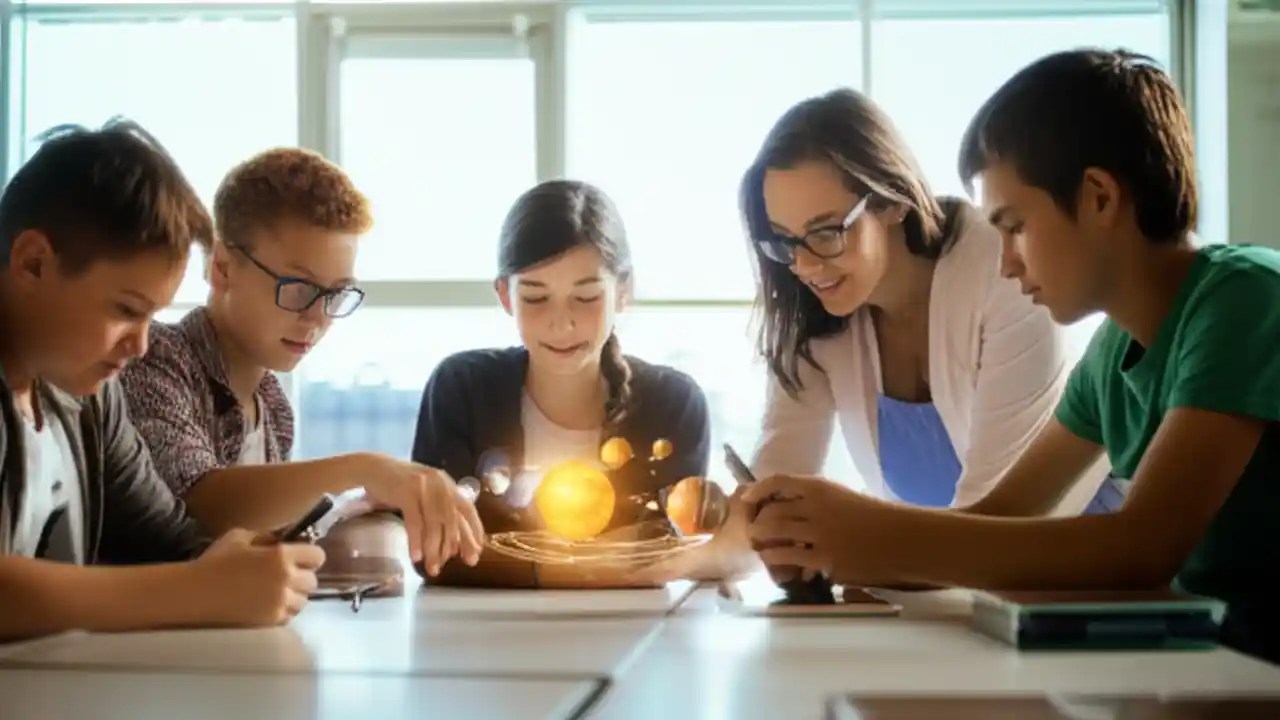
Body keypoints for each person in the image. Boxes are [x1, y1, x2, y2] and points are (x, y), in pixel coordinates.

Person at [744, 49, 1280, 665]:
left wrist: (871, 533)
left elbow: (1141, 549)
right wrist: (843, 549)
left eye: (1014, 226)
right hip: (1217, 670)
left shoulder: (1245, 297)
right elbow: (1001, 516)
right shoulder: (1113, 354)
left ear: (1099, 198)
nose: (1004, 262)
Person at [0, 120, 322, 640]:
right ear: (33, 263)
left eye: (153, 318)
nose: (141, 345)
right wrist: (197, 589)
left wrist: (242, 565)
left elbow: (169, 542)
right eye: (127, 310)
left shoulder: (92, 402)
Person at [120, 148, 481, 577]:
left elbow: (254, 543)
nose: (318, 317)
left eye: (336, 294)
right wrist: (363, 468)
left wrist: (346, 509)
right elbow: (199, 504)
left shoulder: (273, 407)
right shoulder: (153, 358)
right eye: (297, 288)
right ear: (222, 268)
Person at [743, 87, 1107, 510]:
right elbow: (775, 481)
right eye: (785, 241)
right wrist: (678, 556)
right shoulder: (817, 315)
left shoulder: (1004, 269)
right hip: (936, 569)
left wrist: (856, 543)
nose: (803, 266)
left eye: (826, 232)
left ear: (892, 202)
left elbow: (1000, 520)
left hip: (1080, 553)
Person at [413, 180, 710, 536]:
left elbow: (678, 546)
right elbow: (438, 550)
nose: (562, 323)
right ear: (505, 296)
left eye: (585, 297)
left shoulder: (672, 404)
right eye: (536, 298)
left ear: (623, 291)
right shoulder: (462, 390)